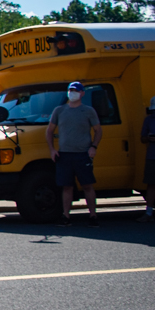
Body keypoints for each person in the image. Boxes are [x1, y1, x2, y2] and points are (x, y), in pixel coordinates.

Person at [46, 80, 102, 226]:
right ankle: (66, 216)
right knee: (66, 186)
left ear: (82, 93)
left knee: (87, 185)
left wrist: (93, 147)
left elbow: (98, 130)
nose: (73, 93)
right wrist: (52, 149)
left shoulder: (88, 110)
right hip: (64, 154)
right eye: (70, 90)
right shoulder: (59, 110)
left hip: (83, 154)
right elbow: (50, 130)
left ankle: (93, 215)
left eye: (76, 90)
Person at [140, 95, 155, 221]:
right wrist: (149, 138)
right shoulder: (148, 120)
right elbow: (142, 138)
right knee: (151, 185)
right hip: (152, 156)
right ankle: (149, 212)